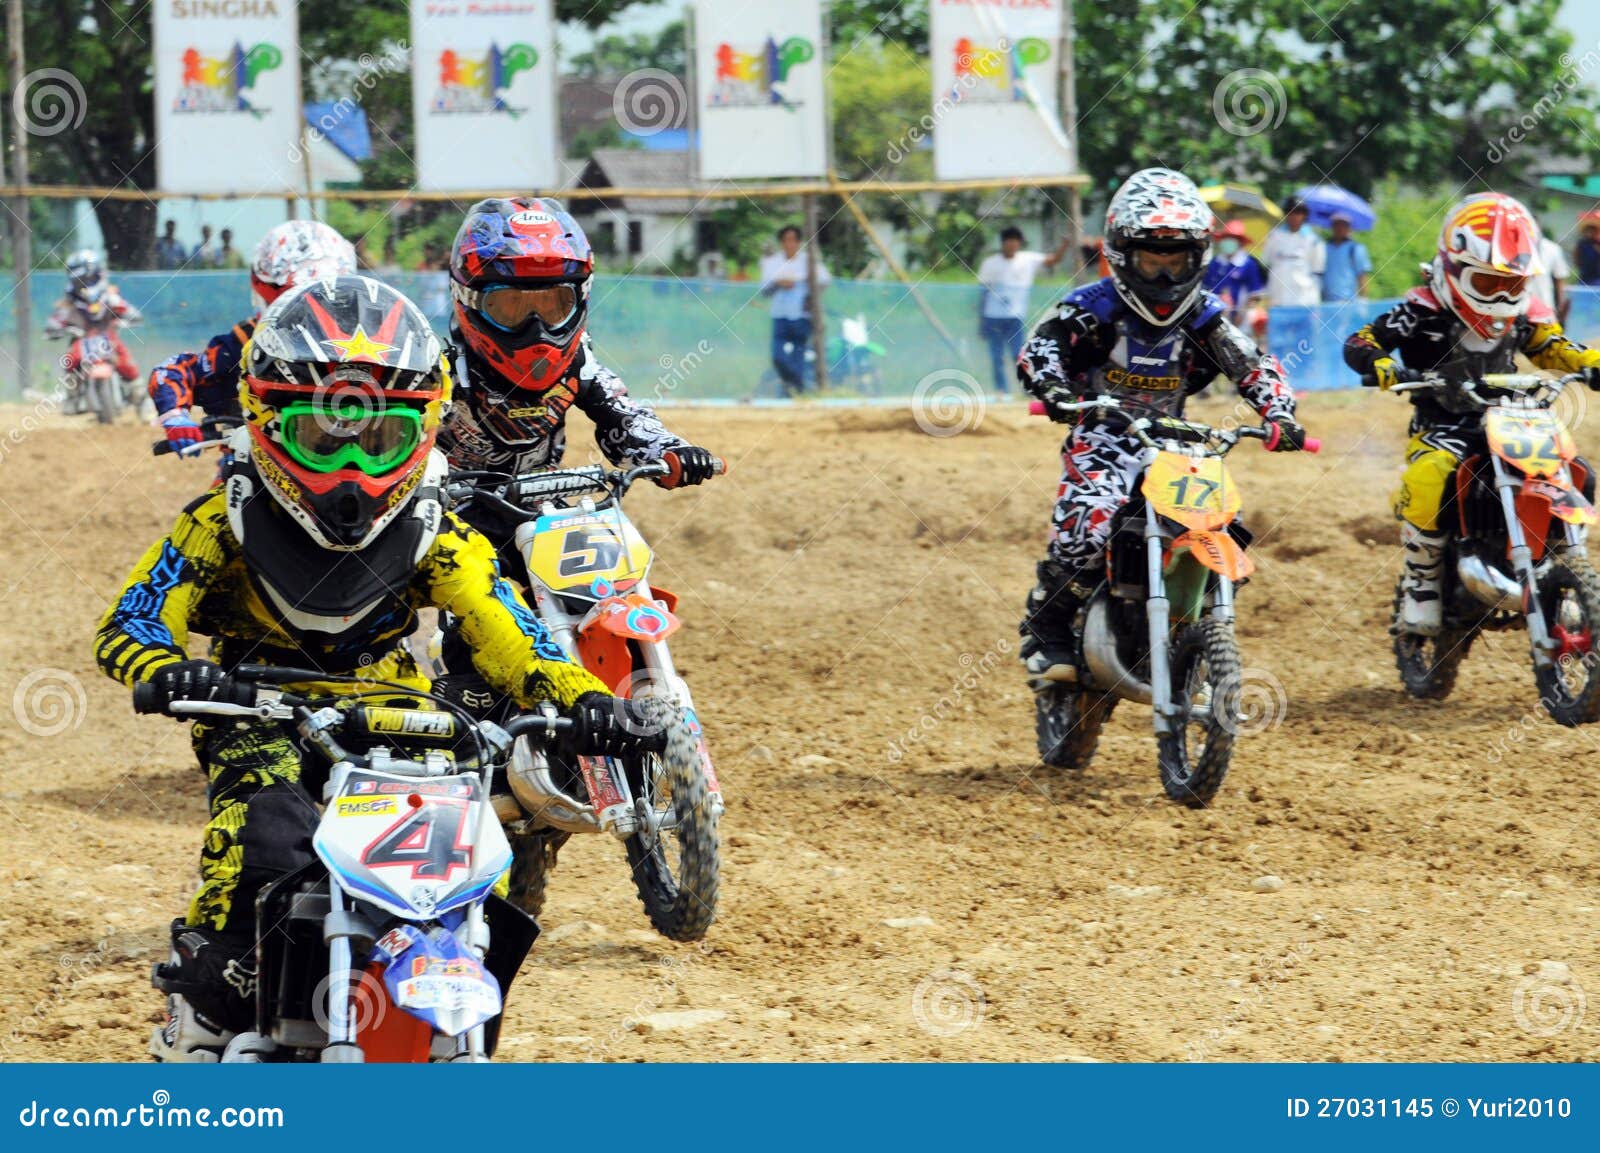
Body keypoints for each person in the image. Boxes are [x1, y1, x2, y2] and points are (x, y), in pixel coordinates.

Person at [96, 276, 659, 1059]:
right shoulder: (221, 520)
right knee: (260, 838)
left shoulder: (435, 527)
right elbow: (132, 619)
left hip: (398, 709)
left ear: (426, 428)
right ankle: (206, 1013)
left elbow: (513, 633)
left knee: (474, 863)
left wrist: (588, 700)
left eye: (383, 438)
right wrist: (169, 669)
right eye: (326, 437)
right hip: (258, 705)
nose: (355, 467)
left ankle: (454, 1028)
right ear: (265, 420)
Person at [1016, 168, 1308, 678]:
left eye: (1177, 262)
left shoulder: (1204, 315)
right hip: (1102, 436)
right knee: (1086, 526)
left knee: (1224, 530)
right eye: (1153, 260)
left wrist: (1279, 412)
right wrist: (1055, 389)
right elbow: (1041, 348)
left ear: (1198, 258)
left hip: (1175, 443)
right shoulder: (1092, 306)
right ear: (1123, 254)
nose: (1165, 277)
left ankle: (1190, 626)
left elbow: (1253, 364)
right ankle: (1049, 626)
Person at [1344, 192, 1600, 636]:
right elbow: (1362, 340)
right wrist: (1380, 363)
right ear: (1454, 269)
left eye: (1513, 285)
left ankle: (1562, 561)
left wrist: (1587, 361)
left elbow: (1552, 347)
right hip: (1442, 425)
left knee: (1575, 469)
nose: (1502, 295)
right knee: (1431, 476)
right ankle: (1422, 580)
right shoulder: (1421, 310)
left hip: (1508, 419)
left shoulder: (1528, 316)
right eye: (1487, 284)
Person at [149, 219, 357, 453]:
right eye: (300, 299)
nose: (312, 311)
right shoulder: (248, 339)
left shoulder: (367, 345)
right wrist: (177, 417)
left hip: (357, 464)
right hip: (252, 468)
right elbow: (173, 370)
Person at [976, 225, 1070, 394]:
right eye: (1008, 242)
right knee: (996, 357)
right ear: (1003, 243)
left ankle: (1026, 390)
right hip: (993, 317)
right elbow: (983, 293)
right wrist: (982, 321)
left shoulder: (1027, 260)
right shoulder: (991, 263)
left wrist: (1065, 244)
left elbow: (1053, 260)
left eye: (1015, 241)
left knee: (1018, 355)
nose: (1011, 245)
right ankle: (1001, 391)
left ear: (1019, 243)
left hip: (1015, 318)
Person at [45, 249, 142, 386]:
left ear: (98, 275)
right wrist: (57, 329)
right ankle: (70, 393)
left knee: (126, 361)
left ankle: (138, 390)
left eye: (89, 279)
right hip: (81, 340)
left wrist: (125, 319)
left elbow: (131, 312)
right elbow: (55, 321)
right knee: (70, 360)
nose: (85, 284)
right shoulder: (70, 303)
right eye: (81, 281)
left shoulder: (110, 298)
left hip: (109, 339)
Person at [759, 224, 831, 395]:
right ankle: (791, 384)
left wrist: (810, 295)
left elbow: (825, 280)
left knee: (798, 355)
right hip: (780, 315)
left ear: (799, 242)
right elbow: (764, 291)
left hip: (801, 316)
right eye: (786, 240)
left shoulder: (808, 262)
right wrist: (779, 283)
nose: (789, 244)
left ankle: (795, 392)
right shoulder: (772, 263)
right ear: (781, 242)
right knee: (778, 357)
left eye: (793, 240)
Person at [1202, 220, 1268, 327]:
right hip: (1213, 316)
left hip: (1240, 319)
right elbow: (1205, 288)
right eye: (1226, 238)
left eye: (1232, 239)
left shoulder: (1248, 264)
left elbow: (1255, 294)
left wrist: (1242, 313)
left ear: (1240, 242)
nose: (1228, 242)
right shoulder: (1215, 262)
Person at [1262, 200, 1324, 307]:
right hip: (1277, 296)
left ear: (1304, 215)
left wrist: (1315, 301)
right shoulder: (1274, 236)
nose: (1294, 216)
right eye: (1290, 212)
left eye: (1298, 212)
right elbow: (1267, 262)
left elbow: (1317, 271)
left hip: (1304, 298)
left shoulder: (1314, 240)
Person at [1319, 212, 1372, 303]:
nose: (1340, 228)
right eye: (1336, 224)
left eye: (1343, 225)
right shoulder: (1324, 248)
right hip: (1327, 303)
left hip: (1348, 302)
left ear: (1349, 228)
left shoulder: (1356, 248)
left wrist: (1363, 299)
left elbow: (1362, 276)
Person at [1531, 225, 1572, 325]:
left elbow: (1560, 279)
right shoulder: (1514, 245)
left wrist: (1561, 306)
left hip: (1545, 306)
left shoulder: (1552, 248)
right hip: (1519, 308)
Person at [1575, 218, 1600, 286]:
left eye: (1592, 230)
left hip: (1597, 276)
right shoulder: (1581, 243)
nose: (1589, 232)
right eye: (1587, 230)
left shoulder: (1597, 242)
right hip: (1584, 275)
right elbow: (1576, 257)